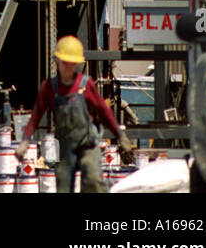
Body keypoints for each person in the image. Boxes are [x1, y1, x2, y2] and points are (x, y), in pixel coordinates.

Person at [18, 35, 133, 193]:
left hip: (87, 143)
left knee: (93, 180)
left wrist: (120, 135)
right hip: (66, 146)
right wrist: (25, 141)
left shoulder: (85, 85)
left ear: (78, 65)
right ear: (57, 62)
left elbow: (103, 110)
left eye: (72, 64)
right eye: (64, 63)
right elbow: (36, 115)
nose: (68, 68)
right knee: (63, 185)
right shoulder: (49, 88)